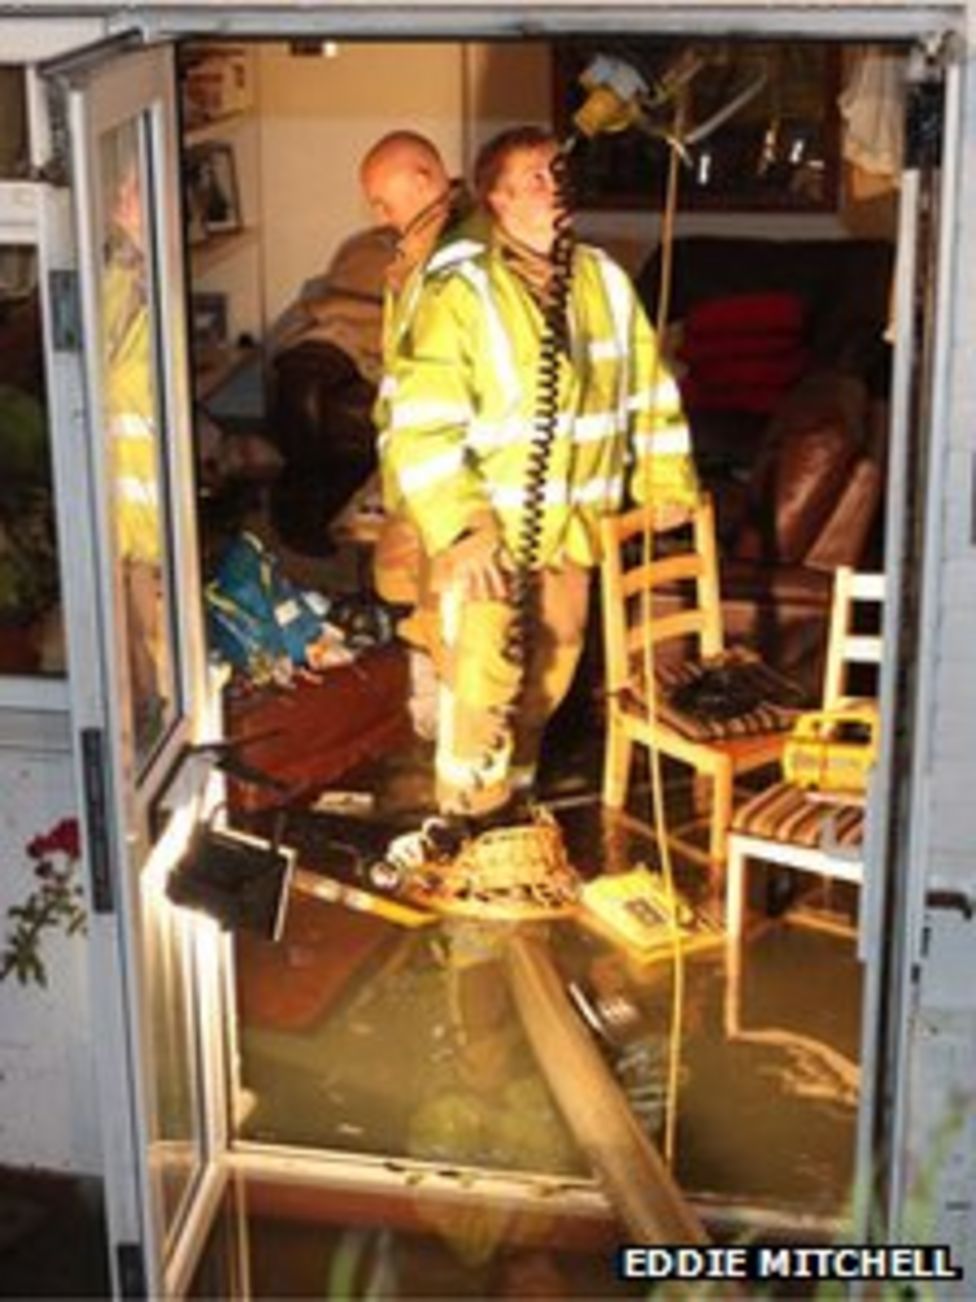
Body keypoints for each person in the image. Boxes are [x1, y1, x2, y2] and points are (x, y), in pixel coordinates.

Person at [380, 125, 699, 851]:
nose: (552, 190)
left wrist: (666, 479)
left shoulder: (605, 282)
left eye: (557, 176)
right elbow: (420, 424)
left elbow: (648, 392)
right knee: (484, 682)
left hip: (571, 528)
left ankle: (510, 809)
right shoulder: (460, 293)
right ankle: (465, 819)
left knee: (548, 679)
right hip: (487, 536)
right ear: (493, 199)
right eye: (531, 180)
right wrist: (460, 530)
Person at [359, 131, 478, 737]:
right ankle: (430, 719)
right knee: (405, 587)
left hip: (452, 476)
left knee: (453, 611)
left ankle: (455, 741)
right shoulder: (412, 255)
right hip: (414, 472)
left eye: (384, 201)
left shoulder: (466, 255)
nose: (378, 217)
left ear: (427, 181)